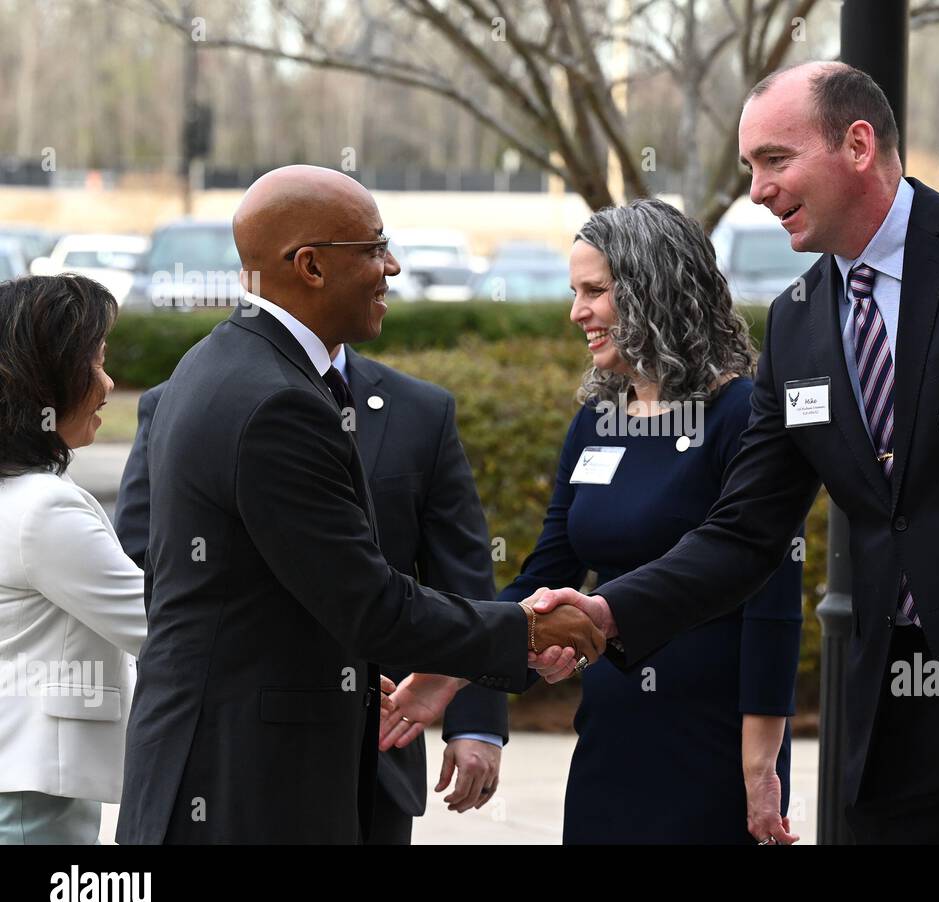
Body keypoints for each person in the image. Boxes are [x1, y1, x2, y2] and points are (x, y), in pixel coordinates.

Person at [530, 62, 939, 845]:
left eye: (776, 160)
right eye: (750, 168)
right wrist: (609, 612)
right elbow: (745, 530)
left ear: (857, 143)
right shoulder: (797, 321)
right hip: (895, 718)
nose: (758, 190)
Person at [115, 165, 603, 844]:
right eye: (374, 248)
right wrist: (523, 630)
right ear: (310, 266)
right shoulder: (276, 402)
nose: (392, 266)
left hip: (226, 773)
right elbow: (369, 605)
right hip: (247, 790)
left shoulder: (217, 365)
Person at [421, 199, 805, 844]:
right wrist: (449, 671)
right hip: (612, 727)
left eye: (595, 291)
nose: (578, 312)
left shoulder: (744, 413)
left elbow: (774, 600)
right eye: (576, 292)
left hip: (717, 745)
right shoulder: (598, 420)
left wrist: (760, 767)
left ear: (655, 288)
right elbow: (545, 575)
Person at [115, 348, 509, 845]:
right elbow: (144, 559)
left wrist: (476, 723)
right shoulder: (184, 401)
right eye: (372, 261)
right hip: (239, 758)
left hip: (381, 751)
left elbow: (463, 572)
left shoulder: (422, 409)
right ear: (310, 267)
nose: (390, 267)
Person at [0, 274, 147, 843]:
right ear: (47, 376)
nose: (109, 384)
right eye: (97, 361)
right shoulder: (45, 509)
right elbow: (164, 626)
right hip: (31, 798)